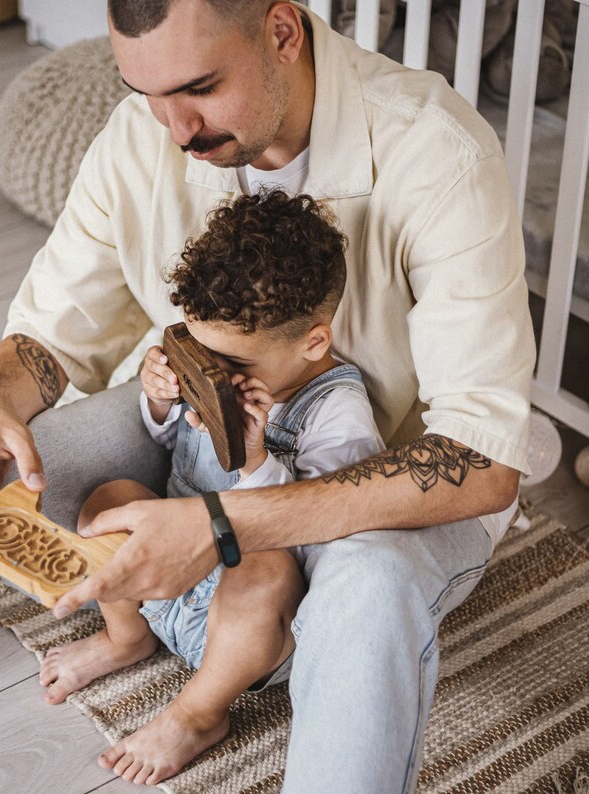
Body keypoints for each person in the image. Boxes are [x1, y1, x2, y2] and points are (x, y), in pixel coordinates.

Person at [0, 1, 535, 791]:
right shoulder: (140, 136)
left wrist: (220, 522)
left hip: (390, 485)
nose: (175, 127)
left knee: (368, 593)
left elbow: (483, 462)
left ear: (282, 33)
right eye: (148, 93)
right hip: (201, 430)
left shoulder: (439, 153)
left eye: (200, 87)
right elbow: (48, 331)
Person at [39, 190, 384, 785]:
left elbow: (330, 536)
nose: (216, 375)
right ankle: (126, 636)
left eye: (235, 365)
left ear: (313, 342)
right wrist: (159, 399)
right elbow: (168, 441)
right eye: (202, 355)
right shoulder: (223, 351)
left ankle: (199, 713)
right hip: (165, 572)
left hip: (245, 625)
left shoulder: (337, 415)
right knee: (108, 499)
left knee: (265, 571)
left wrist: (255, 459)